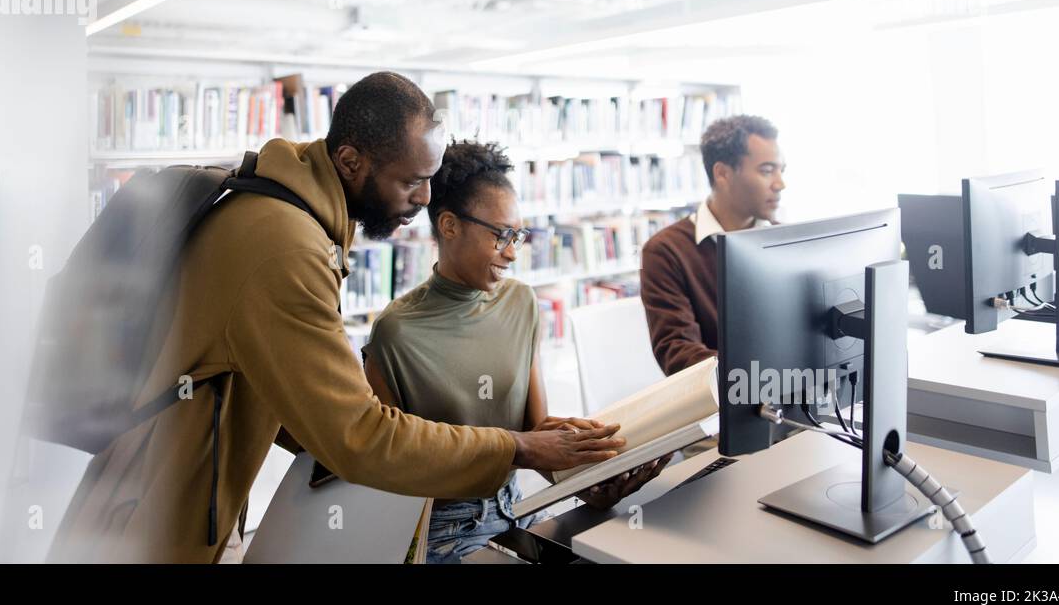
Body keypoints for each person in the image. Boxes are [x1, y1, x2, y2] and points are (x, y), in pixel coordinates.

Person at [48, 72, 625, 563]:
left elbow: (296, 404)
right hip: (149, 517)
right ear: (350, 161)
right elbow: (359, 438)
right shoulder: (286, 249)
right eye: (411, 180)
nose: (427, 198)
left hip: (160, 492)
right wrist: (514, 449)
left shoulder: (286, 213)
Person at [364, 140, 669, 563]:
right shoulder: (395, 332)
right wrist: (521, 449)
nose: (512, 252)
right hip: (442, 526)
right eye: (501, 235)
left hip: (521, 507)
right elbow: (392, 463)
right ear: (449, 226)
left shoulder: (522, 303)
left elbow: (535, 429)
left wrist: (589, 480)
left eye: (519, 235)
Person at [641, 114, 786, 377]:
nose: (780, 184)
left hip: (782, 390)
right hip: (722, 403)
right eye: (766, 170)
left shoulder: (783, 240)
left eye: (781, 170)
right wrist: (760, 373)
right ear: (722, 173)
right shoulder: (666, 251)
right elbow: (677, 351)